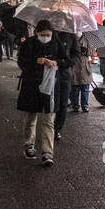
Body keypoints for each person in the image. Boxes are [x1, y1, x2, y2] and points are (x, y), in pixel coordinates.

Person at [15, 20, 72, 166]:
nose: (46, 37)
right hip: (31, 85)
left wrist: (56, 62)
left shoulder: (56, 42)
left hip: (51, 86)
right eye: (43, 35)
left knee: (48, 121)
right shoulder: (28, 43)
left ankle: (47, 153)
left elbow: (67, 60)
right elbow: (21, 61)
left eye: (48, 35)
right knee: (31, 117)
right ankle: (29, 145)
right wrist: (36, 61)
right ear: (36, 33)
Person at [52, 31, 79, 139]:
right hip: (48, 72)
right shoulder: (49, 32)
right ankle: (48, 126)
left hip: (64, 73)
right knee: (50, 102)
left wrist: (63, 62)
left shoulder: (71, 35)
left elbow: (76, 54)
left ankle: (57, 128)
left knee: (62, 103)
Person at [70, 34, 93, 113]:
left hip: (84, 65)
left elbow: (92, 52)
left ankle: (85, 105)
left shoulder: (87, 38)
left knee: (85, 88)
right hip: (74, 64)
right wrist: (75, 51)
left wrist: (86, 51)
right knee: (75, 88)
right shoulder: (71, 37)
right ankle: (75, 105)